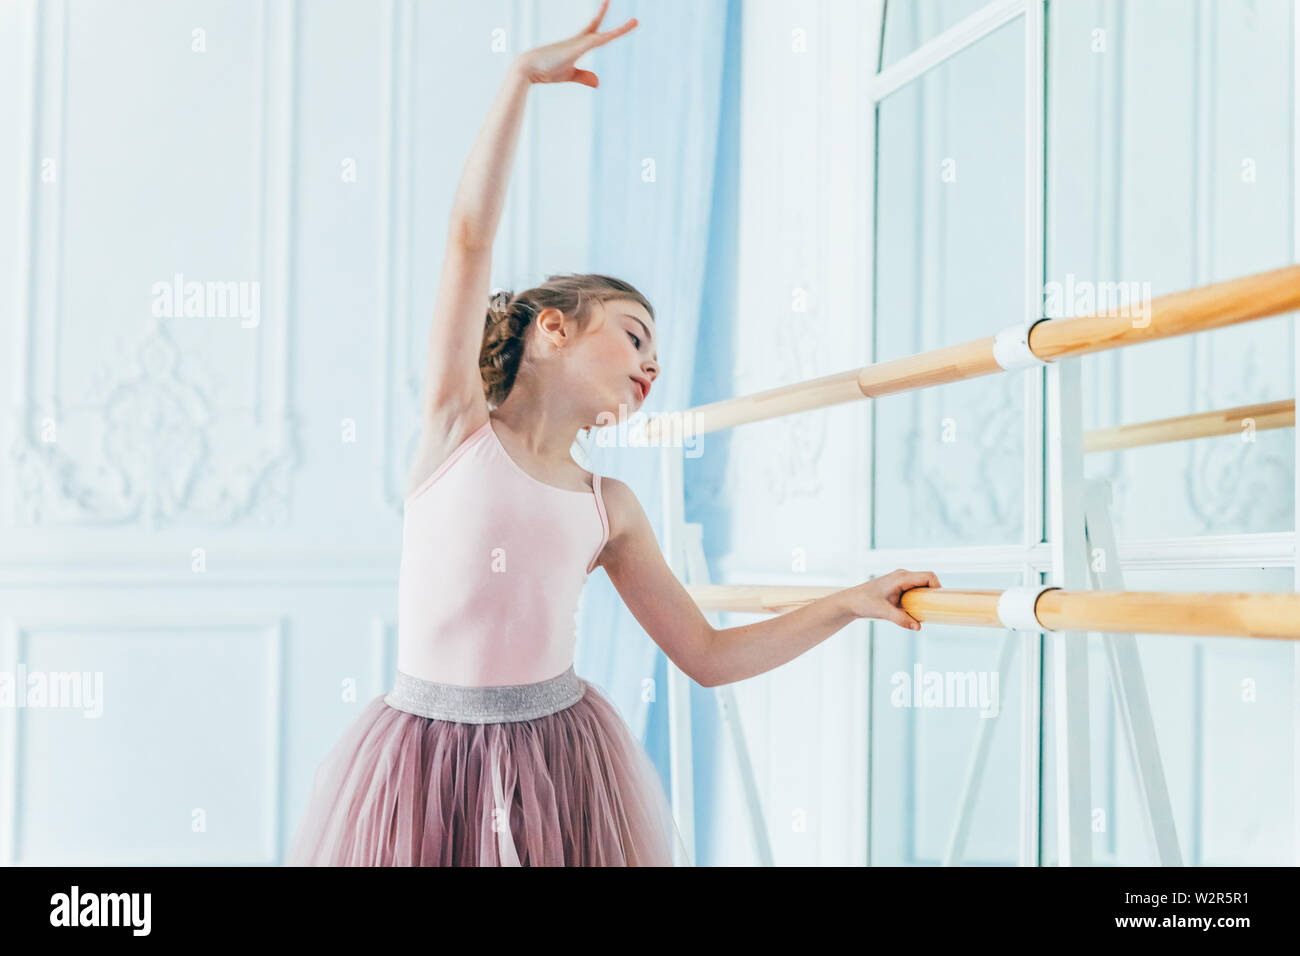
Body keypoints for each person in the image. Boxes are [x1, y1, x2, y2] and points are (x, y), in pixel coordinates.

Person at [286, 0, 940, 866]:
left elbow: (705, 654)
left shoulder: (611, 508)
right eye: (634, 335)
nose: (651, 364)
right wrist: (518, 79)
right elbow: (467, 238)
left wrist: (847, 604)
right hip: (424, 763)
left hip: (557, 769)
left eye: (659, 354)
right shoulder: (456, 427)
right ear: (552, 329)